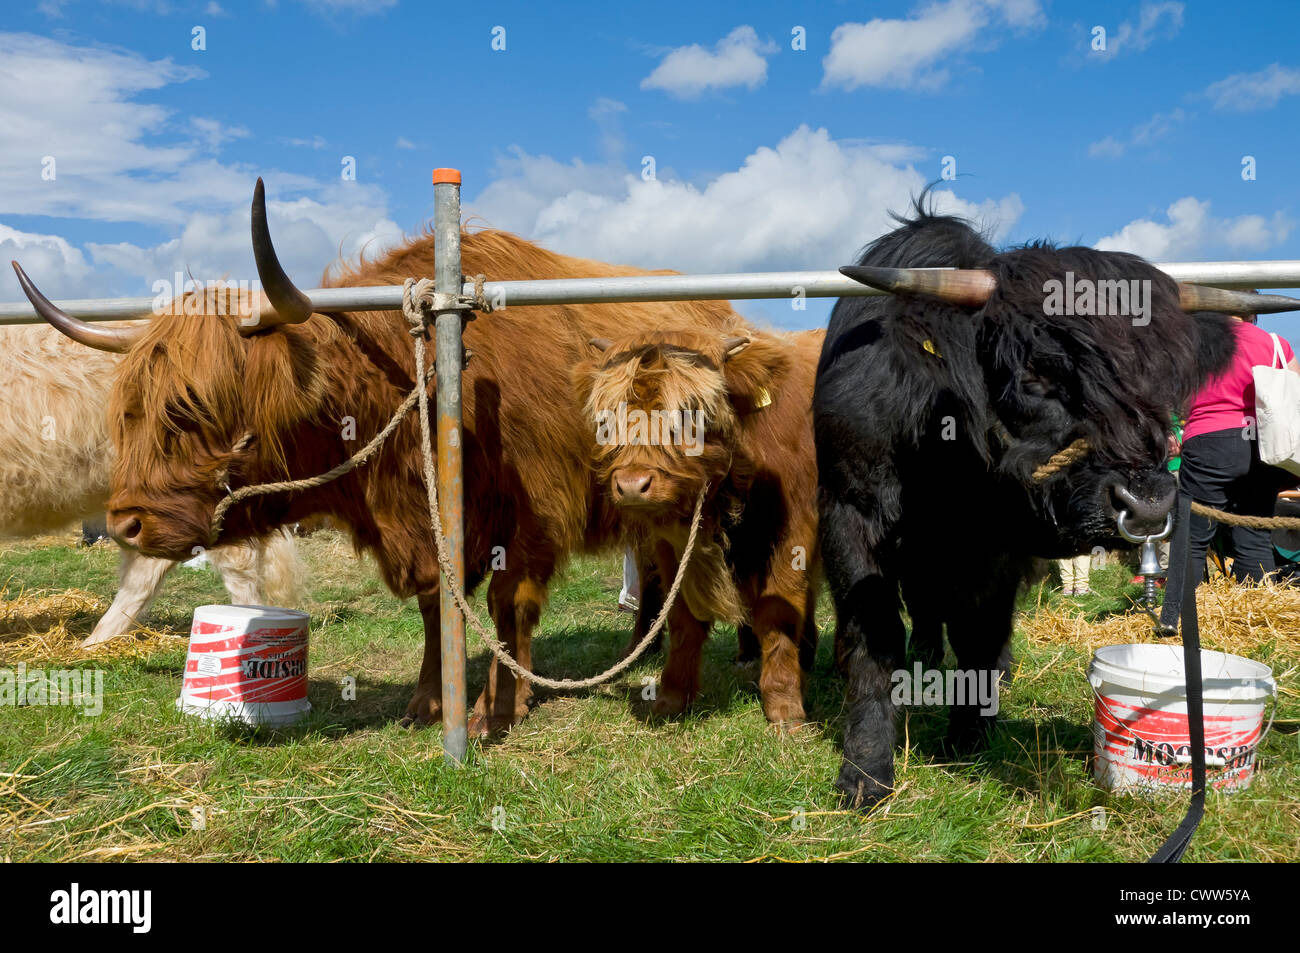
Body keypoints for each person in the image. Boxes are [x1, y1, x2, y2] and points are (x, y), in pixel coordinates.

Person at [1179, 308, 1300, 583]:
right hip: (1263, 445)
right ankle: (1254, 618)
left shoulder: (1191, 340)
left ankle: (1184, 616)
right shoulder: (1274, 342)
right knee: (1255, 535)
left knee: (1192, 536)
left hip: (1209, 441)